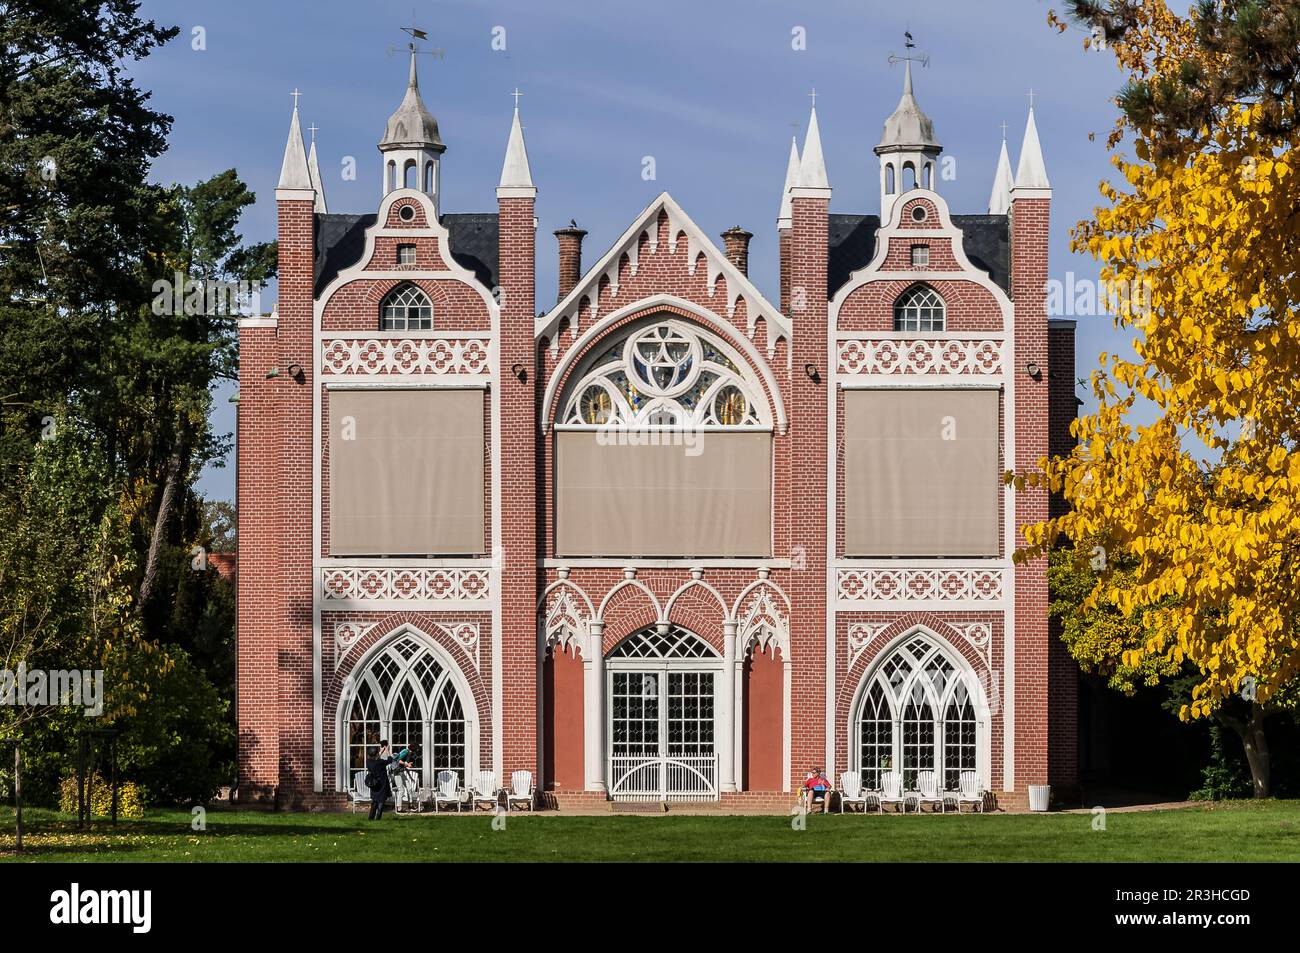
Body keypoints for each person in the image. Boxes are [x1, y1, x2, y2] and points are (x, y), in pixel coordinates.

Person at [366, 741, 394, 820]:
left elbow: (375, 759)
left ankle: (370, 817)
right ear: (376, 754)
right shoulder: (380, 762)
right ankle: (378, 818)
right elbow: (390, 760)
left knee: (374, 801)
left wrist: (381, 751)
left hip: (374, 783)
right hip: (382, 783)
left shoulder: (368, 762)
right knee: (381, 801)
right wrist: (387, 751)